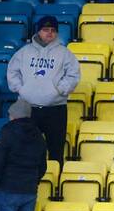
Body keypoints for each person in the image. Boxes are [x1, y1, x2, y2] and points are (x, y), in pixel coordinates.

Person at [5, 14, 80, 169]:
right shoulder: (24, 52)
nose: (49, 33)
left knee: (56, 151)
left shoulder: (65, 53)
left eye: (53, 30)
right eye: (45, 29)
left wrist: (60, 90)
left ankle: (55, 182)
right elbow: (12, 71)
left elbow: (73, 75)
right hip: (28, 108)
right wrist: (21, 89)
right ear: (38, 31)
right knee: (27, 150)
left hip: (55, 109)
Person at [0, 97, 47, 211]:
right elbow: (42, 166)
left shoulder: (7, 131)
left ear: (14, 115)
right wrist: (33, 181)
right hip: (29, 189)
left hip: (7, 188)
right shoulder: (38, 135)